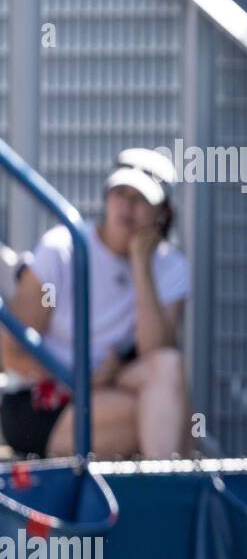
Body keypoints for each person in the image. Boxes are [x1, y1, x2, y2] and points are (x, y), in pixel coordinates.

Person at [0, 149, 191, 459]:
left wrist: (141, 265)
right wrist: (82, 379)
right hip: (42, 402)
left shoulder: (170, 265)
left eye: (140, 198)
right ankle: (169, 496)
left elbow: (156, 353)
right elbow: (12, 354)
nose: (127, 206)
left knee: (170, 371)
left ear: (163, 213)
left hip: (111, 386)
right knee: (166, 412)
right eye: (120, 192)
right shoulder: (62, 249)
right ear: (106, 196)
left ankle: (166, 490)